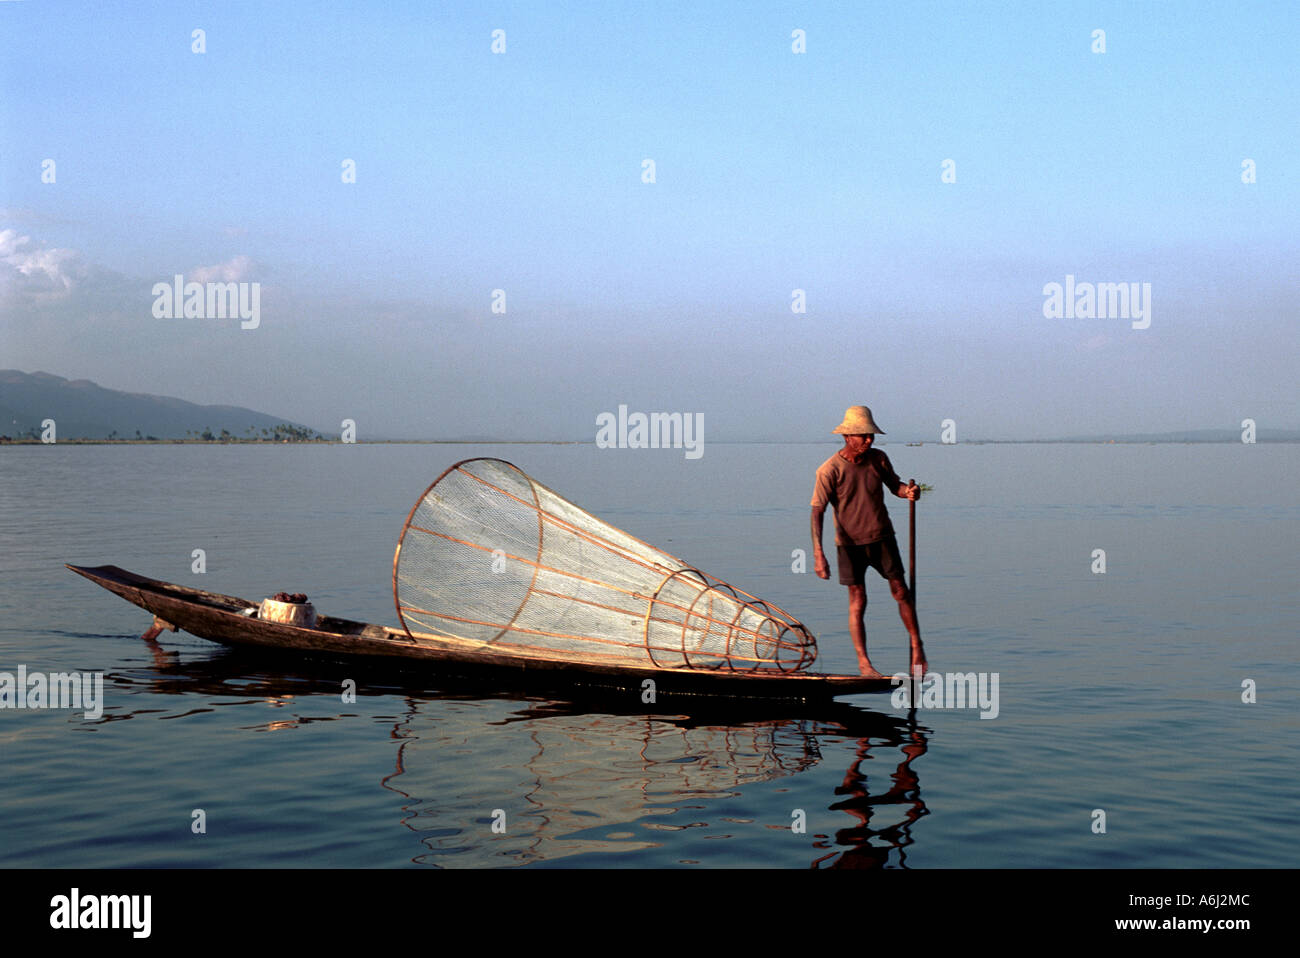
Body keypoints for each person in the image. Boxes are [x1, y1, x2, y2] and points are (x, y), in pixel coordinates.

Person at [811, 405, 927, 679]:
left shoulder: (879, 459)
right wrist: (818, 553)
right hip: (849, 545)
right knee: (858, 599)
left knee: (900, 590)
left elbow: (895, 486)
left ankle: (916, 645)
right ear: (847, 437)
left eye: (871, 435)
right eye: (863, 435)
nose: (868, 440)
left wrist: (908, 492)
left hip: (882, 537)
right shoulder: (829, 470)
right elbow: (817, 511)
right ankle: (864, 663)